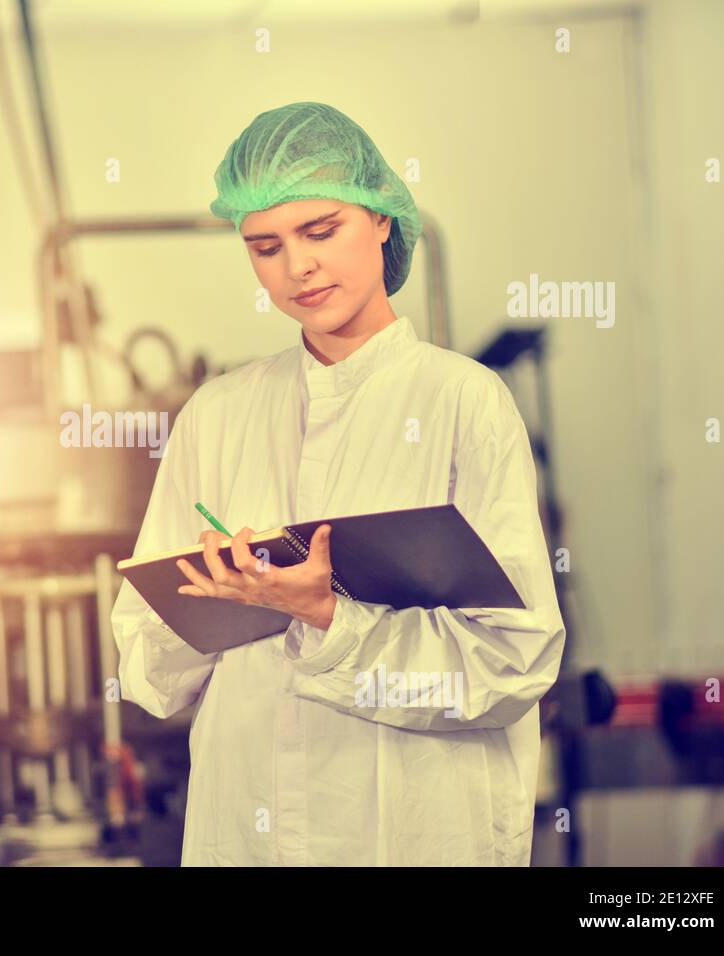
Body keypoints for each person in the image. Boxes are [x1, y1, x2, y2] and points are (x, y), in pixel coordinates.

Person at [111, 102, 566, 865]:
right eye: (265, 246)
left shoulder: (463, 402)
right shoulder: (218, 413)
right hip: (247, 829)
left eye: (321, 231)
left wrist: (327, 618)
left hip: (417, 835)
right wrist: (214, 600)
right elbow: (148, 673)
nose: (298, 268)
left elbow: (512, 664)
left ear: (382, 219)